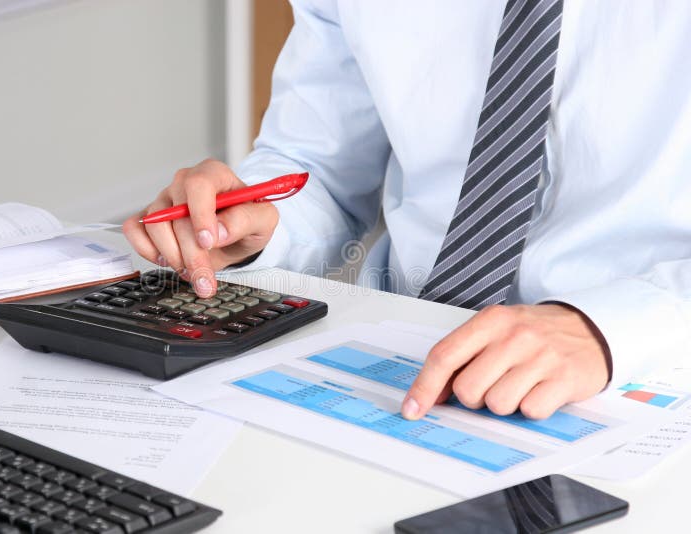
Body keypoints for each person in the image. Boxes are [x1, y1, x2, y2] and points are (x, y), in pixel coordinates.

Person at [124, 1, 691, 421]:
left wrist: (608, 328)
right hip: (402, 361)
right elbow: (315, 165)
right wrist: (254, 221)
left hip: (647, 376)